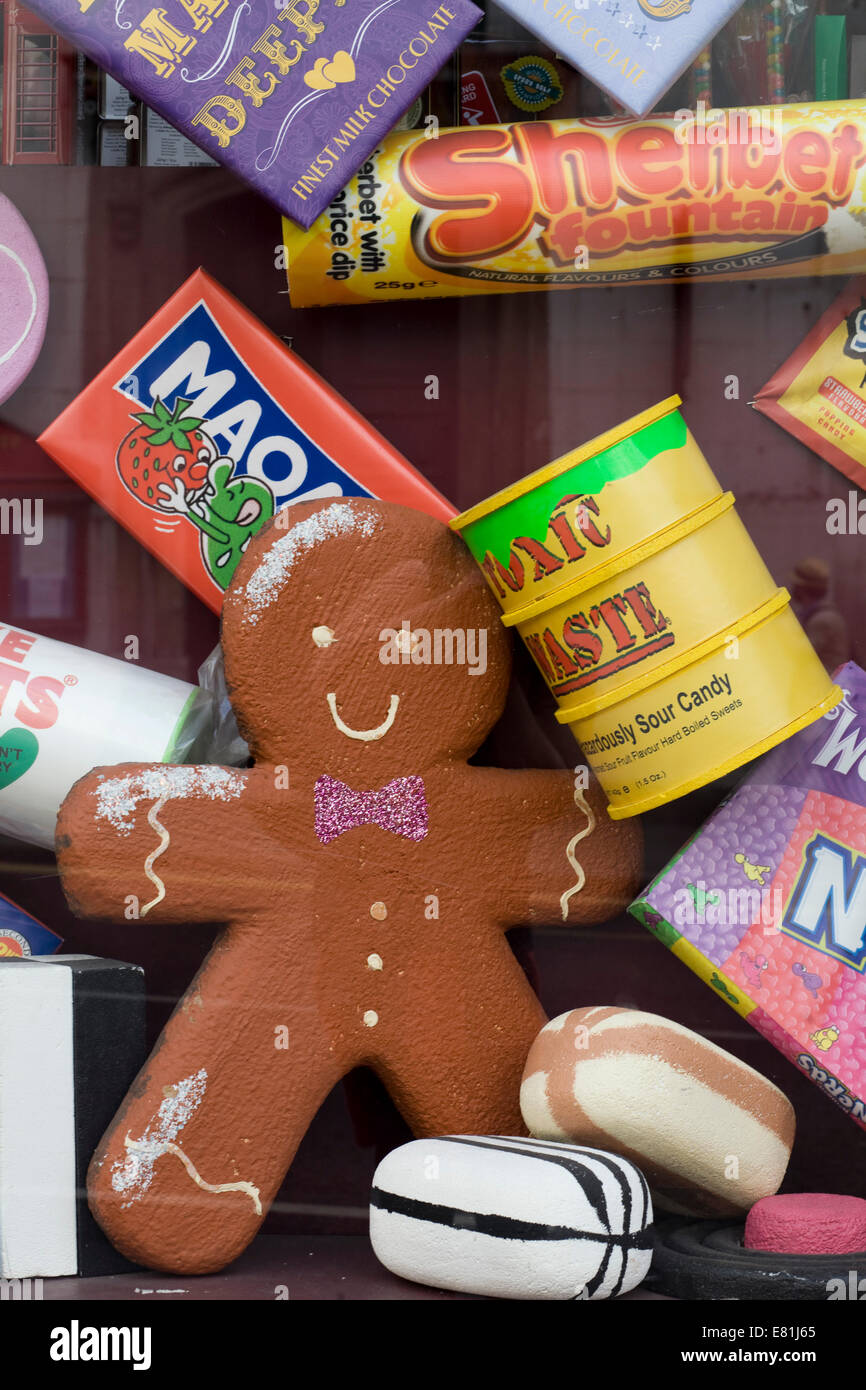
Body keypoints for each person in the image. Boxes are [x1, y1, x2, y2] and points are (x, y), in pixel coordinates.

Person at [789, 557, 851, 674]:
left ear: (802, 588)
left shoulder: (821, 620)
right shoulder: (823, 614)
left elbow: (800, 655)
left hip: (825, 686)